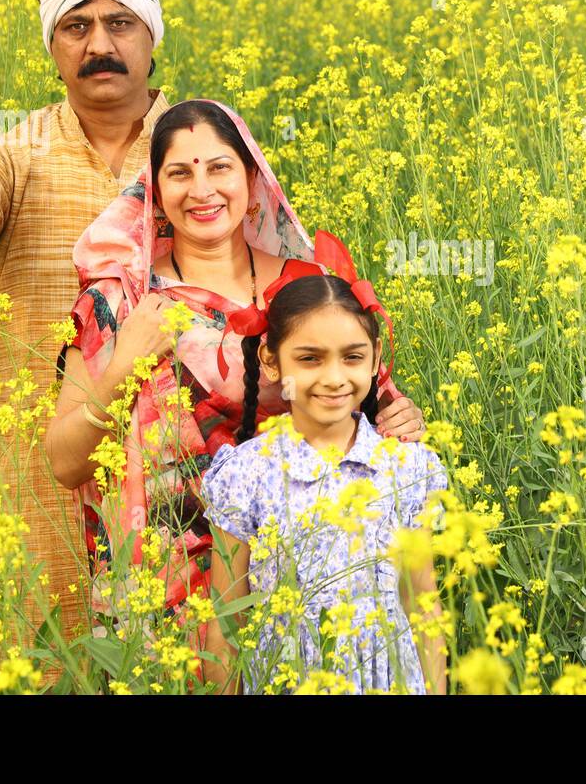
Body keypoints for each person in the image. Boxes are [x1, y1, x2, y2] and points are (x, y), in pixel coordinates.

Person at [0, 0, 427, 686]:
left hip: (230, 518)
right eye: (76, 26)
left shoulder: (199, 142)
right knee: (38, 663)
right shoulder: (19, 152)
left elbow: (315, 336)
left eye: (119, 24)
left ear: (150, 34)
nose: (98, 44)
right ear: (52, 44)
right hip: (44, 490)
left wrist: (388, 418)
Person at [46, 98, 425, 679]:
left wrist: (398, 421)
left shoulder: (308, 286)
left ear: (251, 181)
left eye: (219, 167)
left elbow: (365, 404)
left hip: (306, 580)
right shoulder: (120, 301)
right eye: (180, 172)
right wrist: (125, 362)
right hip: (166, 594)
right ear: (156, 194)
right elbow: (65, 462)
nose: (202, 189)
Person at [199, 235, 449, 694]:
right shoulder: (244, 474)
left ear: (375, 359)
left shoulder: (407, 468)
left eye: (352, 357)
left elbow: (423, 611)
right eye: (310, 359)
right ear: (271, 362)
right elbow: (225, 625)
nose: (334, 378)